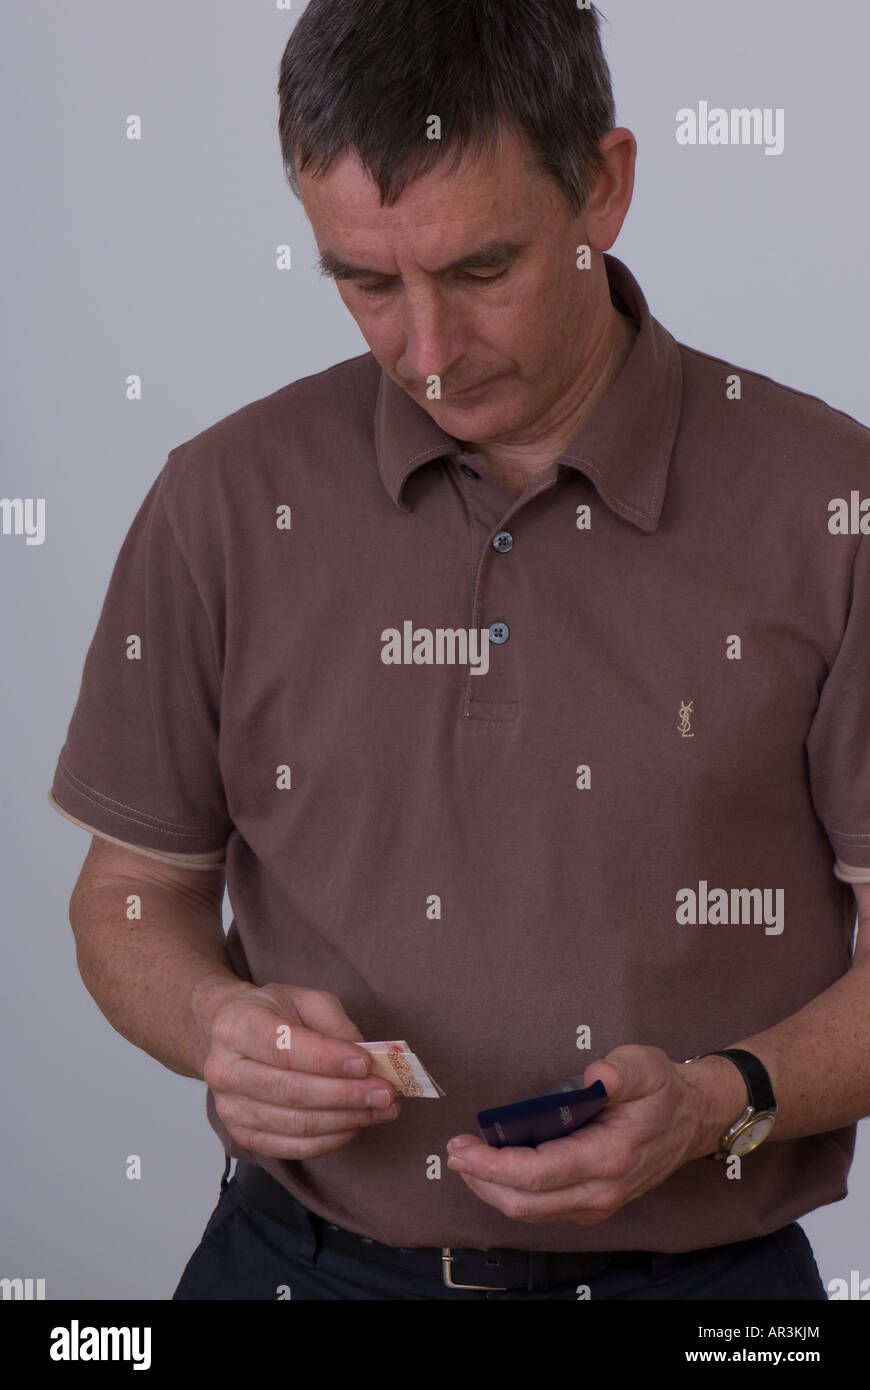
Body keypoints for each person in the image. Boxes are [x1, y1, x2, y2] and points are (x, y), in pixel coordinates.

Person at [49, 0, 870, 1301]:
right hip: (291, 1268)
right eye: (367, 284)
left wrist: (726, 1094)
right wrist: (216, 1023)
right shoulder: (218, 497)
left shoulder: (834, 506)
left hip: (701, 1291)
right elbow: (128, 897)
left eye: (480, 270)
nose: (424, 355)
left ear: (601, 186)